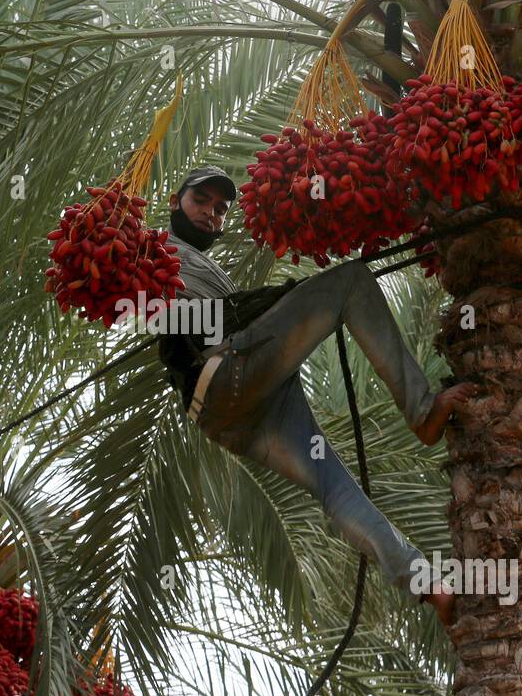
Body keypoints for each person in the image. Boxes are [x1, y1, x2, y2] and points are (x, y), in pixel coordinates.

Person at [157, 166, 477, 627]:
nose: (210, 213)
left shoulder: (208, 269)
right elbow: (150, 285)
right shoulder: (159, 250)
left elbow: (236, 313)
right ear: (174, 202)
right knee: (349, 281)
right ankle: (423, 409)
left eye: (220, 209)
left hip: (230, 417)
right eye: (200, 201)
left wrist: (279, 300)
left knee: (334, 487)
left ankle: (429, 587)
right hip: (225, 372)